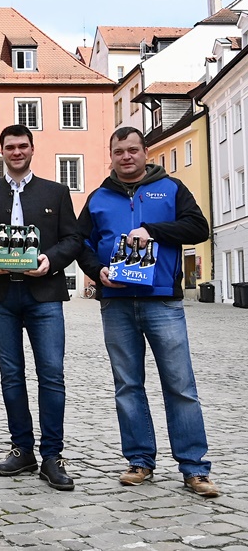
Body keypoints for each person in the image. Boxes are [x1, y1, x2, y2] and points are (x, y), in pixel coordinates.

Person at [77, 127, 219, 498]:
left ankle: (194, 468)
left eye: (133, 150)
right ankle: (140, 461)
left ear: (145, 153)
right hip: (117, 303)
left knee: (180, 385)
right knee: (128, 386)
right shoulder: (97, 198)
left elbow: (198, 227)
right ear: (110, 155)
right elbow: (81, 243)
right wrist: (98, 271)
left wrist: (151, 230)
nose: (126, 157)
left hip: (163, 302)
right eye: (119, 151)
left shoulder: (172, 189)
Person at [0, 125, 82, 491]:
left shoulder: (56, 191)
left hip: (44, 294)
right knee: (11, 375)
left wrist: (51, 259)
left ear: (32, 149)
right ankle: (22, 449)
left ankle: (52, 456)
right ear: (1, 151)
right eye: (10, 147)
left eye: (22, 146)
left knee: (51, 374)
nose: (16, 152)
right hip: (0, 295)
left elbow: (74, 239)